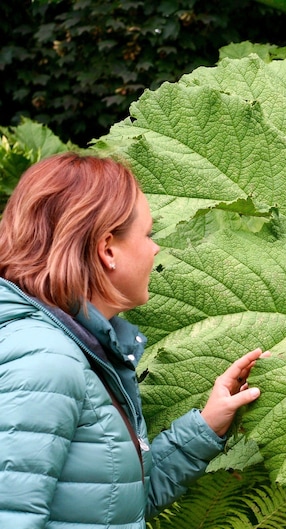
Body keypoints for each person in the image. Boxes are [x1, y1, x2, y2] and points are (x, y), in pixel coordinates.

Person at [0, 152, 265, 528]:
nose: (155, 248)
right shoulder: (45, 363)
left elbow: (115, 506)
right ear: (108, 249)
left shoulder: (76, 349)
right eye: (148, 234)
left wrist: (207, 426)